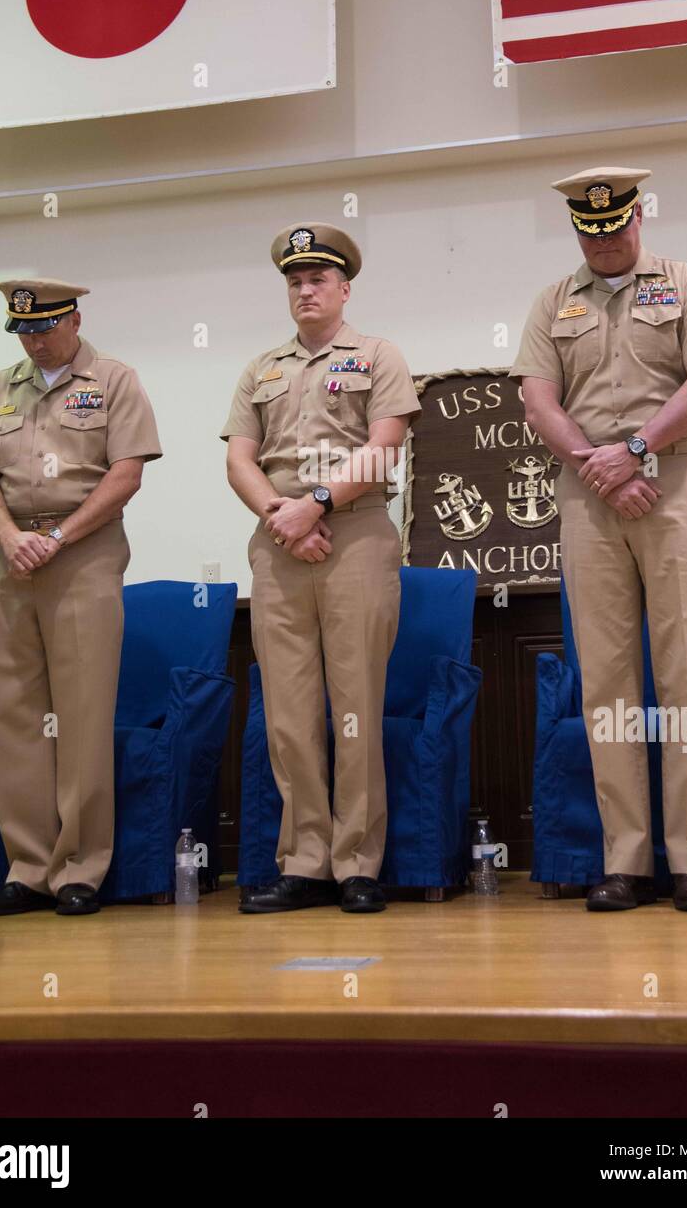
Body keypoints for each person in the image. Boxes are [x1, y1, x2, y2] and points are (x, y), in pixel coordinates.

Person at [510, 167, 687, 913]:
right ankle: (625, 860)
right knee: (606, 684)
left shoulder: (683, 283)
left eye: (614, 227)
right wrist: (599, 465)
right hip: (588, 490)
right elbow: (536, 400)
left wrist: (636, 451)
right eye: (589, 229)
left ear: (637, 217)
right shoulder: (554, 302)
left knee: (684, 677)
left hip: (672, 478)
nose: (603, 241)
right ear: (576, 228)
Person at [222, 223, 421, 913]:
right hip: (278, 541)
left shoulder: (376, 354)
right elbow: (239, 458)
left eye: (317, 280)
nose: (305, 291)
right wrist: (282, 515)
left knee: (354, 707)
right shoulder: (261, 369)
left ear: (343, 289)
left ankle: (357, 862)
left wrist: (315, 505)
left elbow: (383, 446)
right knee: (288, 712)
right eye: (294, 282)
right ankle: (304, 861)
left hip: (356, 536)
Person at [0, 279, 162, 916]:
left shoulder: (113, 379)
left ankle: (81, 866)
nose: (34, 340)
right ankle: (27, 867)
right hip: (14, 557)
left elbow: (126, 474)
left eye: (44, 328)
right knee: (20, 714)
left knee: (80, 714)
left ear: (74, 320)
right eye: (23, 330)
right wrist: (8, 535)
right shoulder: (2, 385)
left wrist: (58, 537)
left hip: (83, 554)